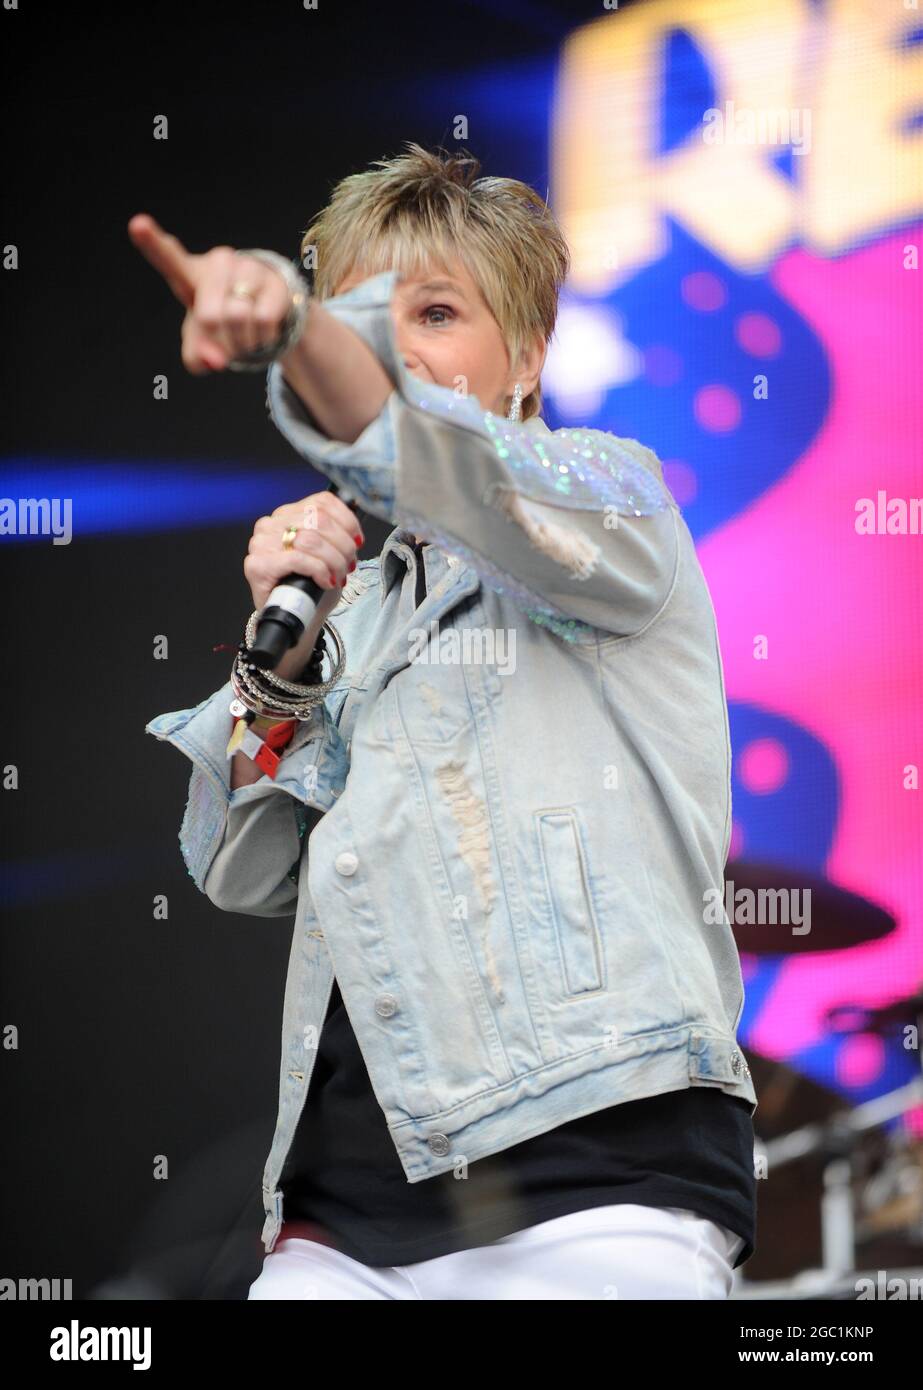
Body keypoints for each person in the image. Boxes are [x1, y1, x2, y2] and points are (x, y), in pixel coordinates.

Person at [135, 142, 758, 1300]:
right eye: (361, 317)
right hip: (341, 1215)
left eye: (433, 311)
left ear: (524, 357)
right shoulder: (354, 611)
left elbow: (446, 462)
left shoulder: (611, 500)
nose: (396, 344)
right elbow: (238, 866)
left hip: (596, 1174)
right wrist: (290, 652)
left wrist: (295, 320)